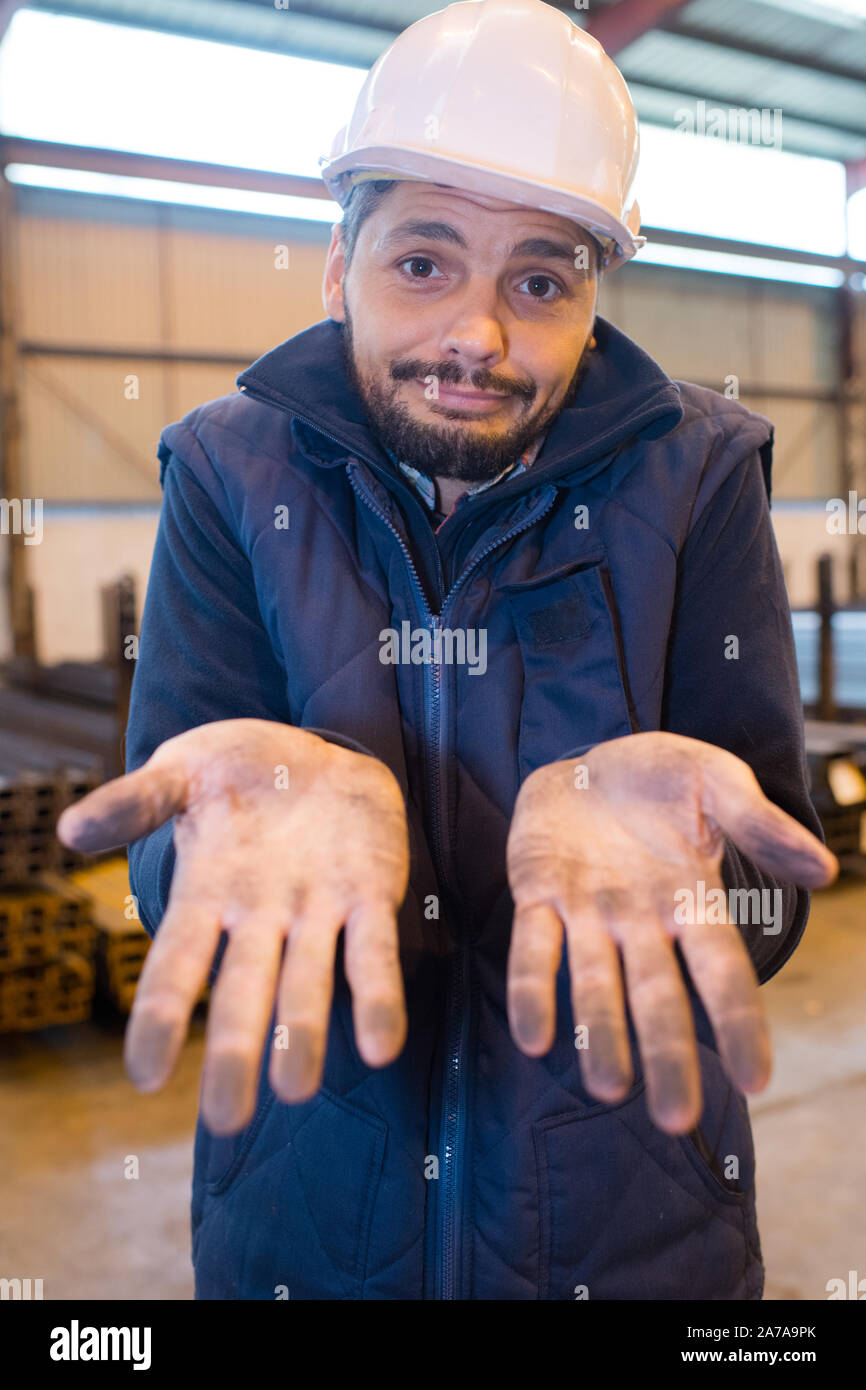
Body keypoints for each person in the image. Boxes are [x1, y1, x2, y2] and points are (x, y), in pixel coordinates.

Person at [58, 0, 835, 1300]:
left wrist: (706, 875)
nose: (477, 335)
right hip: (306, 1218)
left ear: (593, 292)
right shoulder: (226, 469)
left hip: (632, 1228)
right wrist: (201, 845)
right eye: (424, 262)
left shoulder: (699, 472)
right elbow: (165, 865)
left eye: (538, 279)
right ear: (336, 264)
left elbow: (767, 898)